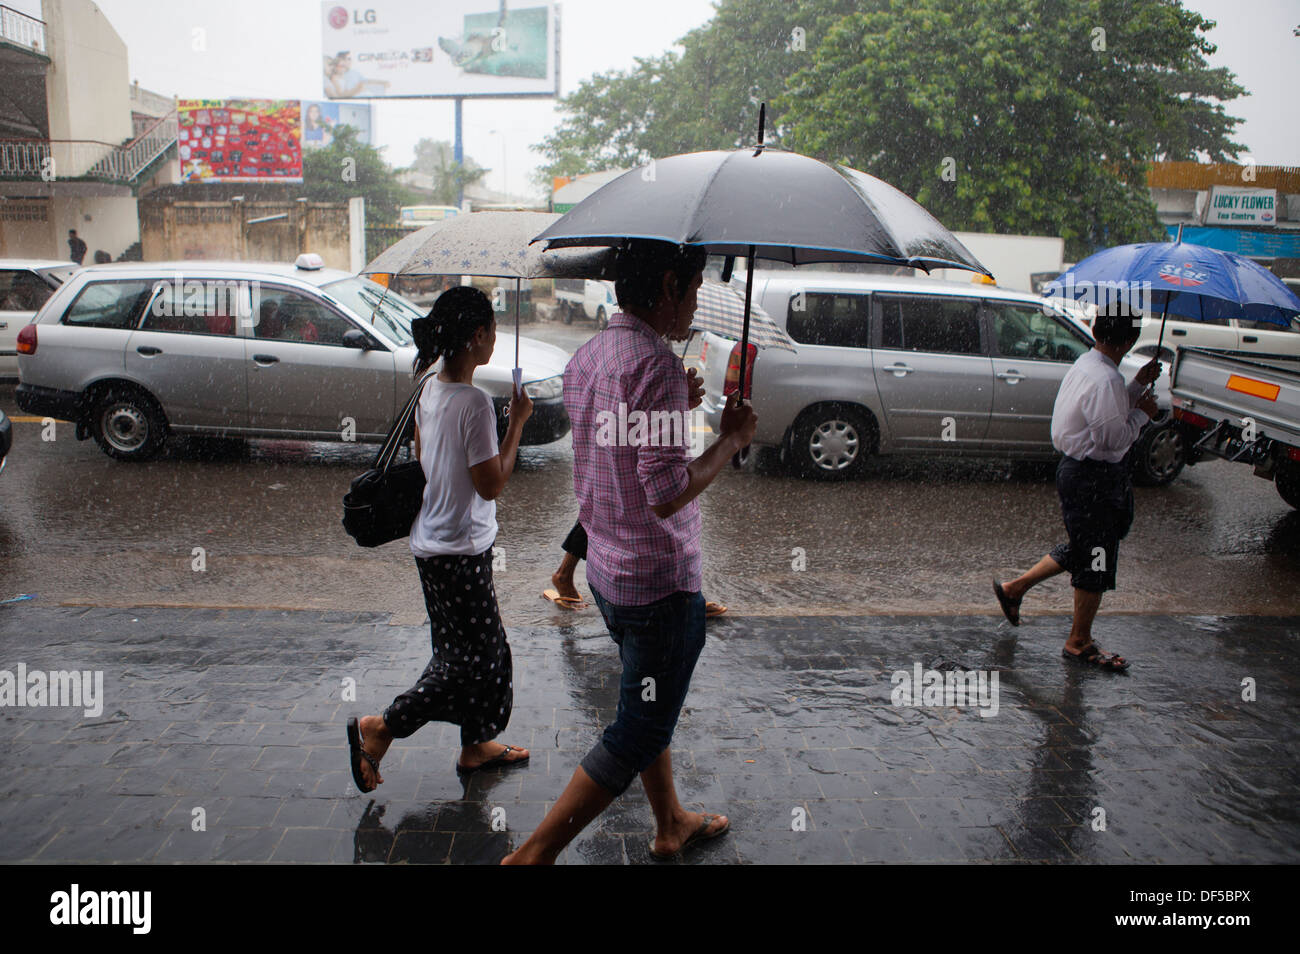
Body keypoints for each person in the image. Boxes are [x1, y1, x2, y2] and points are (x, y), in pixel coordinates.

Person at [503, 240, 757, 865]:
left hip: (607, 575)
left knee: (646, 698)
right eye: (693, 290)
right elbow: (667, 491)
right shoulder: (658, 368)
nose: (695, 305)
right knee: (639, 725)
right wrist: (729, 442)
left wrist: (678, 405)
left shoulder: (590, 355)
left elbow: (618, 440)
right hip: (659, 586)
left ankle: (670, 822)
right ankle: (535, 853)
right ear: (669, 285)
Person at [347, 287, 533, 792]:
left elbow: (425, 454)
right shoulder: (474, 403)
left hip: (432, 541)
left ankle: (476, 745)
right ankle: (380, 727)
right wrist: (515, 426)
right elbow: (492, 484)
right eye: (492, 331)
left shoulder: (430, 386)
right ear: (478, 336)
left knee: (472, 651)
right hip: (459, 549)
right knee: (474, 660)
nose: (495, 339)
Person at [993, 302, 1161, 671]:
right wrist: (1143, 416)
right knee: (1096, 558)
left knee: (1086, 546)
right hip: (1093, 477)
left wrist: (1137, 385)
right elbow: (1112, 437)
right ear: (1131, 338)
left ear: (1098, 328)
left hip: (1082, 474)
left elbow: (1107, 413)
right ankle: (1078, 642)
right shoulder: (1104, 379)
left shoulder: (1091, 365)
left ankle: (1014, 589)